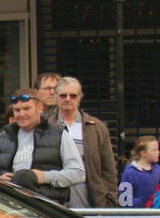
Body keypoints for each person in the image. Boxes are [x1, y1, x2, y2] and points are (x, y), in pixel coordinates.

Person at [0, 90, 84, 205]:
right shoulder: (3, 137)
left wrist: (43, 177)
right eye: (17, 110)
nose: (21, 114)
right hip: (9, 208)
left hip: (48, 210)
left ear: (39, 108)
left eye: (27, 108)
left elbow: (78, 173)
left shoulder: (58, 134)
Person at [49, 76, 117, 208]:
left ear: (80, 97)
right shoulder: (45, 127)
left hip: (92, 204)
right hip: (55, 204)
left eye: (73, 96)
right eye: (63, 95)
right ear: (56, 97)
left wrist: (110, 201)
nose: (68, 99)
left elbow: (108, 169)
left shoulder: (97, 127)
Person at [118, 136, 160, 208]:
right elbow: (124, 200)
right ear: (143, 153)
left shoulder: (159, 170)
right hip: (138, 216)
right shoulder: (129, 172)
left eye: (158, 149)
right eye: (154, 150)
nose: (158, 152)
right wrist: (144, 203)